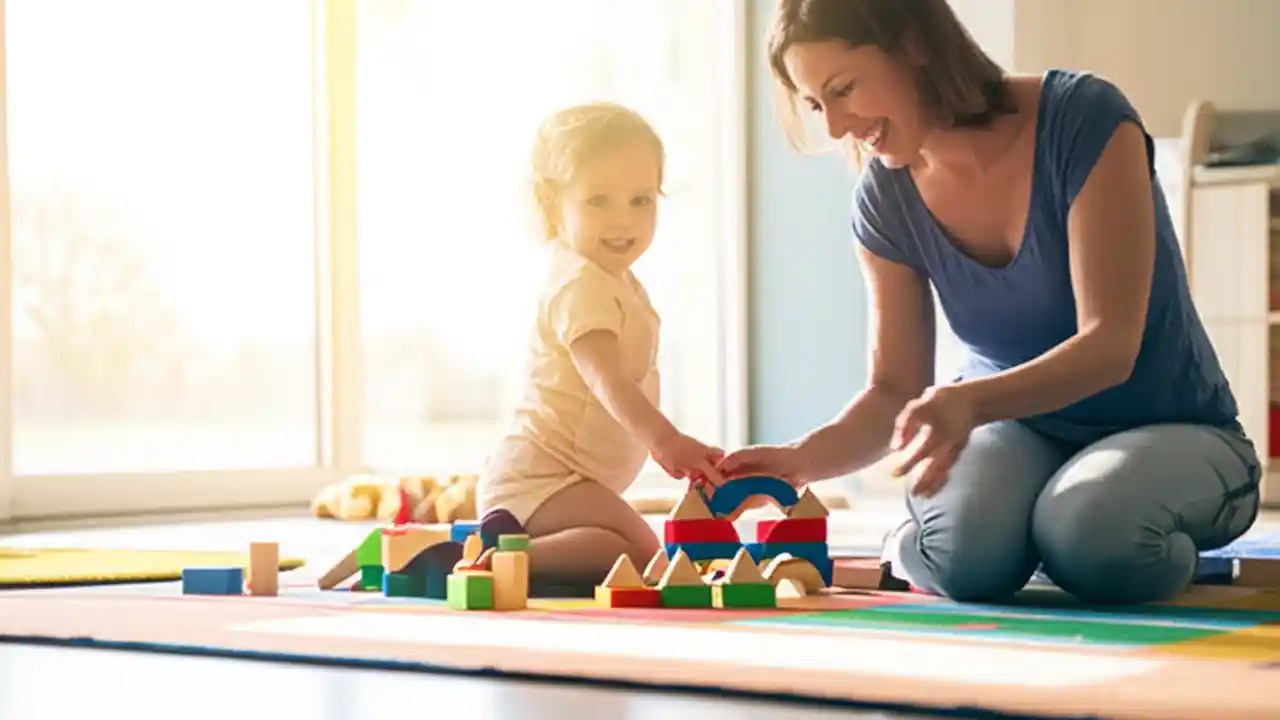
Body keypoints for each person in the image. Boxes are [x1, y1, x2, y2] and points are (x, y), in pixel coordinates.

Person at [718, 0, 1260, 604]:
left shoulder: (1084, 118)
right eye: (819, 105)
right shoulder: (885, 196)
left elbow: (1111, 345)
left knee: (1091, 531)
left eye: (844, 89)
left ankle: (1096, 538)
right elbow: (895, 389)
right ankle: (979, 535)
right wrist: (797, 461)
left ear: (912, 43)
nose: (839, 127)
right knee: (965, 560)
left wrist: (969, 402)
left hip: (1173, 427)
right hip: (1016, 433)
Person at [476, 102, 724, 584]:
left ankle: (520, 552)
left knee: (627, 551)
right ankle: (501, 562)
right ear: (552, 205)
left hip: (570, 483)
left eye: (642, 200)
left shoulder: (615, 281)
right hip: (538, 482)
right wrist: (666, 442)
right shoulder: (581, 285)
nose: (623, 221)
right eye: (598, 201)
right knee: (643, 555)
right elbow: (606, 379)